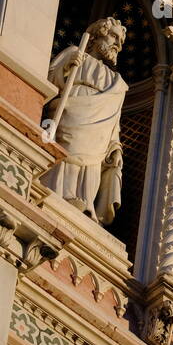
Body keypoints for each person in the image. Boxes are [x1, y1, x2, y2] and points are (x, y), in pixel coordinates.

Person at [44, 17, 128, 223]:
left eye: (121, 41)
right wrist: (66, 69)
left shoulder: (117, 81)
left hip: (98, 132)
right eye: (113, 36)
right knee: (65, 153)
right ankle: (55, 191)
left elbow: (113, 120)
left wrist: (115, 146)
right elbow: (49, 82)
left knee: (91, 164)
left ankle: (85, 204)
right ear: (99, 35)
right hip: (71, 112)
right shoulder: (75, 53)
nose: (117, 44)